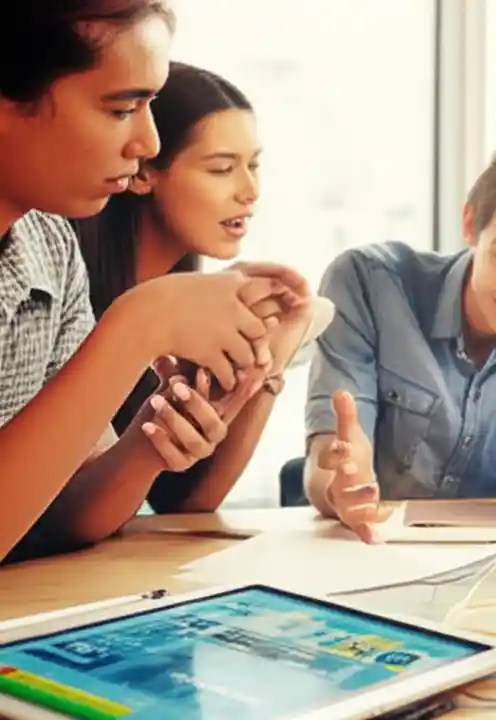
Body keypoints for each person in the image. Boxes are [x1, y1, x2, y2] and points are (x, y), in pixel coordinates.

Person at [0, 0, 305, 563]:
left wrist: (149, 442)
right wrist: (139, 326)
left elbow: (67, 512)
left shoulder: (52, 246)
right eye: (122, 109)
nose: (148, 144)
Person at [305, 139, 496, 542]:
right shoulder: (368, 283)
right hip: (361, 542)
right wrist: (341, 487)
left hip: (492, 554)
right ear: (470, 225)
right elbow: (328, 461)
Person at [75, 62, 331, 515]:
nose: (250, 190)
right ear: (142, 171)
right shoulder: (73, 289)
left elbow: (187, 500)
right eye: (221, 169)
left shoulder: (197, 313)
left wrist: (276, 349)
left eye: (253, 165)